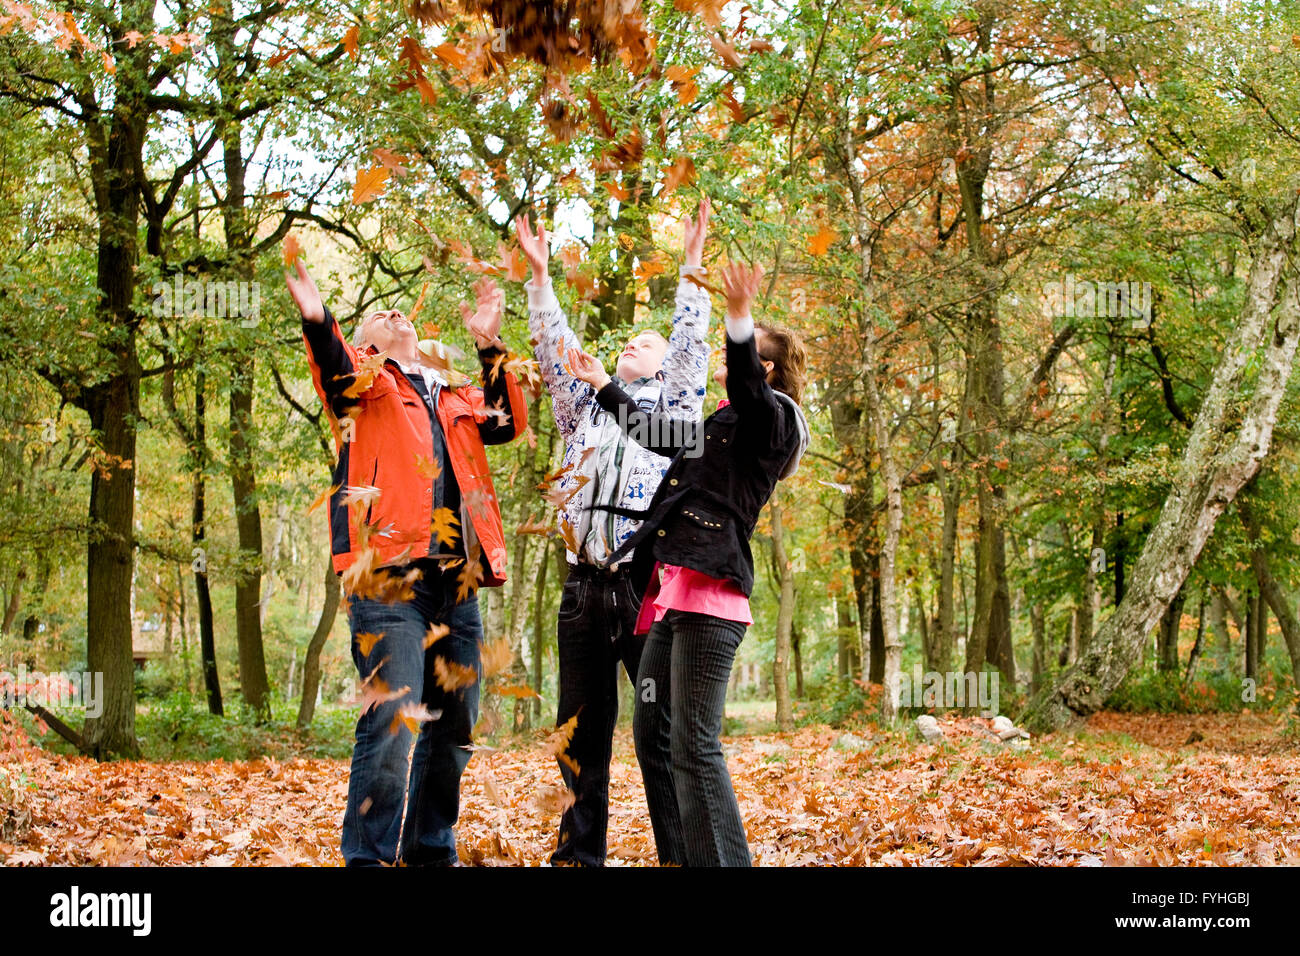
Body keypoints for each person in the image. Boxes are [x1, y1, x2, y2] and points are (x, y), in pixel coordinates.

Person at [287, 257, 529, 866]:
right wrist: (318, 318)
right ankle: (368, 858)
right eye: (378, 315)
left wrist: (489, 345)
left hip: (458, 584)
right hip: (386, 580)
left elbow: (507, 422)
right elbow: (334, 365)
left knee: (454, 727)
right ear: (364, 345)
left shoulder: (454, 393)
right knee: (394, 720)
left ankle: (429, 853)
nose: (394, 312)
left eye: (399, 310)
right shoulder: (363, 387)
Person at [566, 262, 809, 867]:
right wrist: (602, 384)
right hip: (672, 594)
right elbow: (655, 433)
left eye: (741, 353)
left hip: (711, 595)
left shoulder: (770, 420)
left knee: (695, 744)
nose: (726, 360)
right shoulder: (723, 425)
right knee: (655, 731)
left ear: (764, 368)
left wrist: (738, 316)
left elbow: (749, 388)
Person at [514, 201, 712, 866]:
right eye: (628, 339)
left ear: (664, 364)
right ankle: (578, 858)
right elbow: (554, 352)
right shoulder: (584, 410)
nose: (633, 343)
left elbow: (690, 346)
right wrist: (540, 280)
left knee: (657, 730)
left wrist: (691, 267)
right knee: (580, 733)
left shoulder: (673, 410)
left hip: (642, 593)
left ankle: (681, 856)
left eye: (647, 342)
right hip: (582, 592)